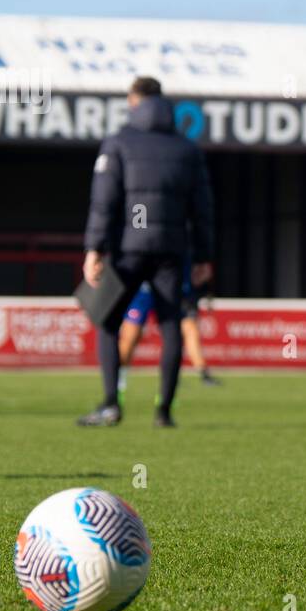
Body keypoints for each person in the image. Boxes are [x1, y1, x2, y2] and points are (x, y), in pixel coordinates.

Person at [77, 76, 214, 429]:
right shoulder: (187, 149)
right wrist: (203, 255)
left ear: (133, 100)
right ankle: (164, 411)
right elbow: (202, 208)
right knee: (171, 325)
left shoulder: (119, 143)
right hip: (171, 250)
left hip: (129, 248)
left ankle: (111, 404)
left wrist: (95, 247)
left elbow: (103, 201)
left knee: (108, 321)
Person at [117, 258, 221, 396]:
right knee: (131, 334)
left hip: (172, 281)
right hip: (143, 286)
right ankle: (119, 376)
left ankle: (200, 374)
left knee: (187, 329)